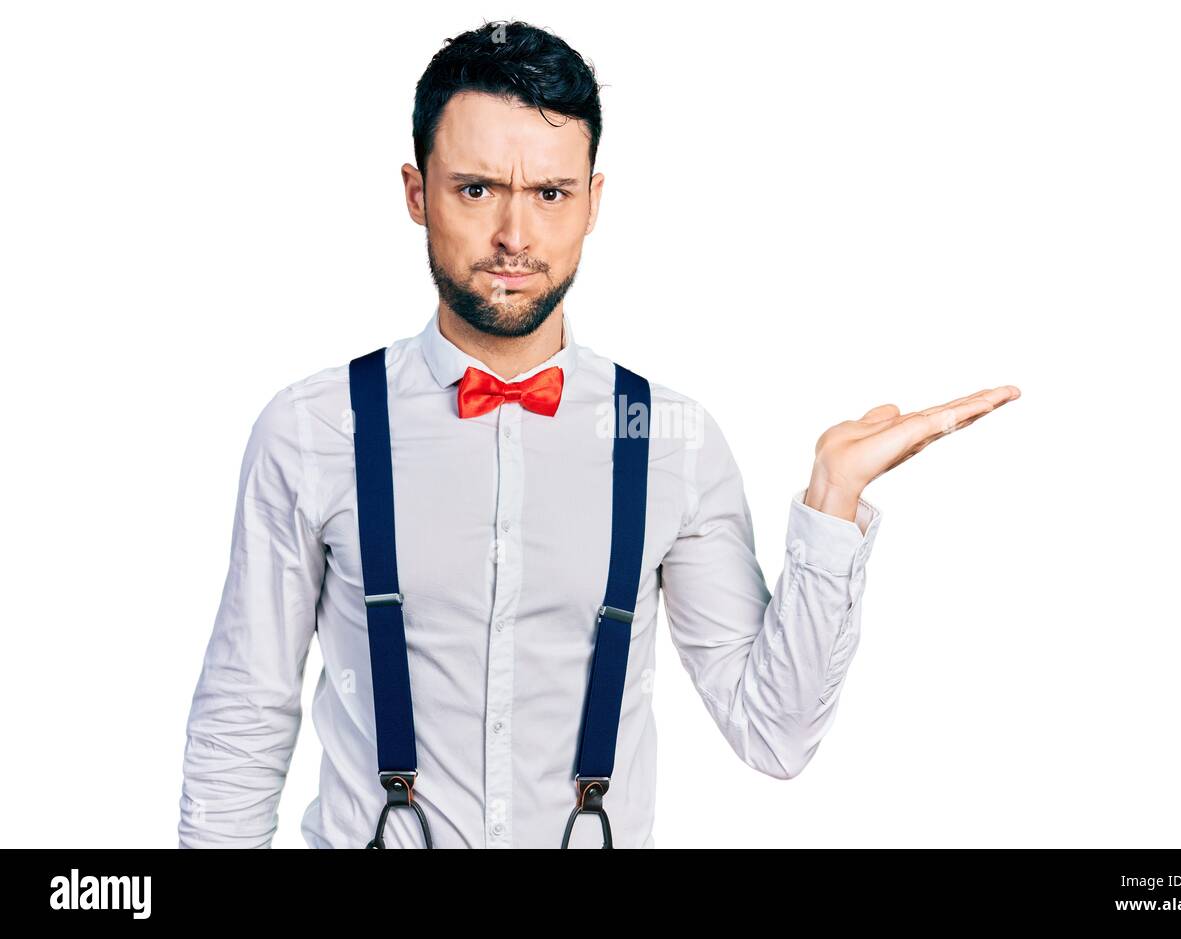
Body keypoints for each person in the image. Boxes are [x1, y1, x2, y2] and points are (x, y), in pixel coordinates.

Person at [178, 19, 1019, 849]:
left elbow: (775, 732)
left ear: (592, 202)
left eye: (550, 194)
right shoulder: (314, 429)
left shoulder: (669, 442)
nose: (516, 236)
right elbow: (242, 725)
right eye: (476, 189)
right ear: (415, 192)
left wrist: (833, 504)